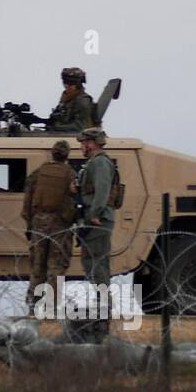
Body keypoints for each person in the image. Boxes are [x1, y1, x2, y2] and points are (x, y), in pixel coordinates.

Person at [71, 127, 117, 341]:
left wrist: (95, 213)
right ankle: (102, 306)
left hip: (97, 219)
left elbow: (102, 189)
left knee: (97, 264)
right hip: (91, 217)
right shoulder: (94, 163)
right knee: (92, 263)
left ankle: (104, 308)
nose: (82, 147)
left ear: (94, 142)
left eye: (85, 142)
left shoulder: (100, 162)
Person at [22, 139, 76, 316]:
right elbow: (74, 200)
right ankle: (50, 307)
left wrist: (30, 223)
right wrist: (69, 220)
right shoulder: (70, 174)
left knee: (38, 265)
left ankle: (33, 305)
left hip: (39, 222)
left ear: (52, 153)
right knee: (56, 266)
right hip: (59, 225)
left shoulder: (39, 172)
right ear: (67, 155)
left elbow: (28, 199)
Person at [48, 67, 99, 132]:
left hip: (81, 138)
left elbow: (80, 127)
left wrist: (56, 127)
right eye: (65, 82)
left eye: (71, 83)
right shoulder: (66, 98)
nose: (67, 85)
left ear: (78, 84)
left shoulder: (83, 101)